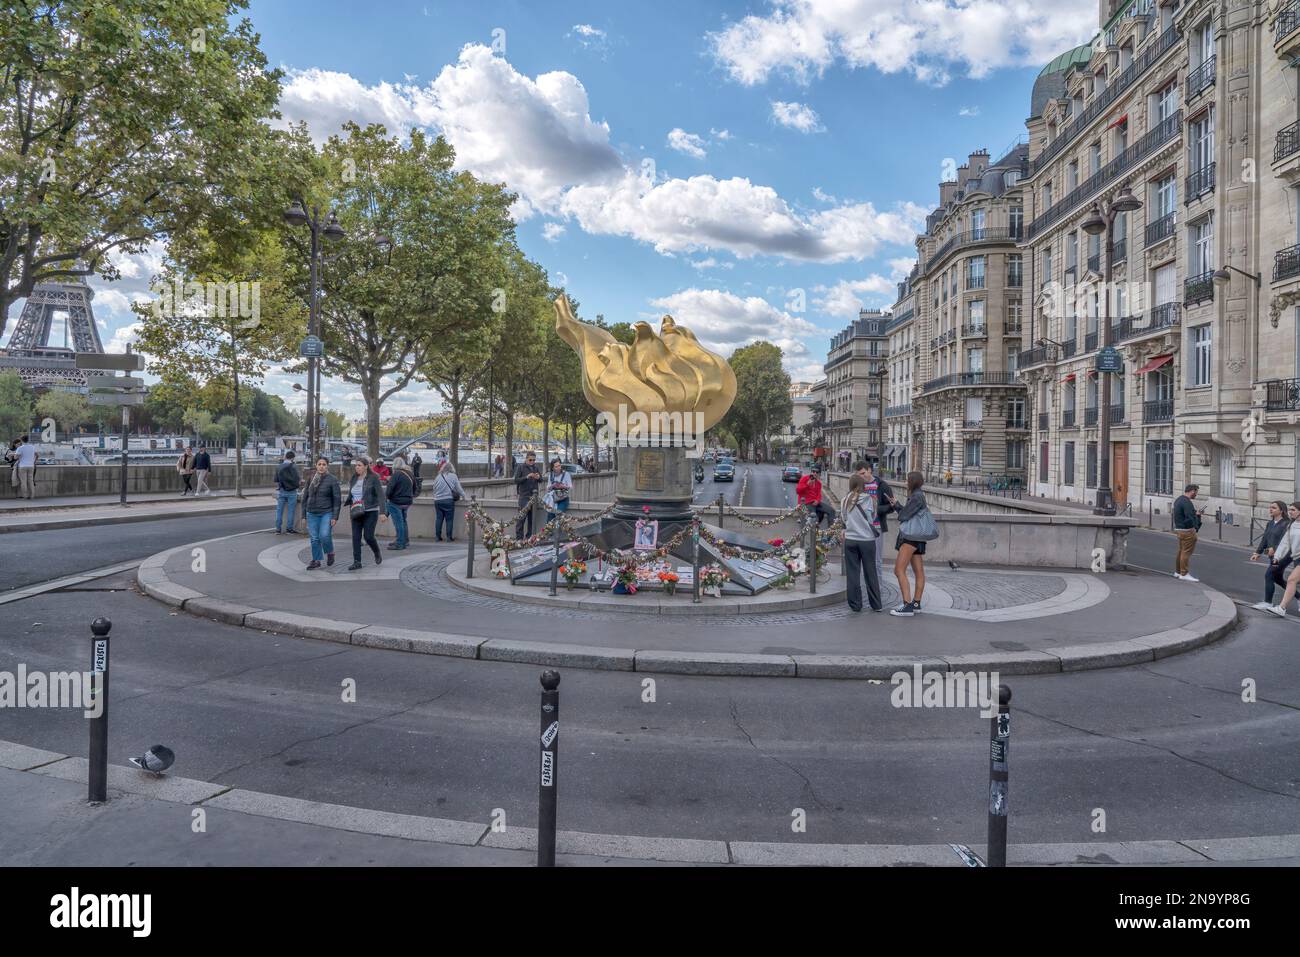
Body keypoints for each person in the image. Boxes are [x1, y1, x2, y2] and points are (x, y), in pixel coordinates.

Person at [890, 471, 930, 616]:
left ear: (912, 482)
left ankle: (907, 605)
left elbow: (904, 516)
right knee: (919, 572)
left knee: (898, 570)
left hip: (910, 539)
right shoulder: (919, 495)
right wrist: (897, 505)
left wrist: (898, 508)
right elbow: (908, 513)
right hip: (918, 539)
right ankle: (916, 603)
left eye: (907, 480)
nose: (906, 482)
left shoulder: (916, 496)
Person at [841, 474, 882, 612]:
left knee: (853, 573)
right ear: (863, 485)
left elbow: (844, 519)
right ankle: (876, 604)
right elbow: (872, 518)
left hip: (851, 540)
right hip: (867, 541)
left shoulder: (845, 500)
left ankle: (855, 605)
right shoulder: (869, 499)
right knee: (871, 572)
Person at [856, 460, 896, 598]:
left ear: (869, 470)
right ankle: (864, 588)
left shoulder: (882, 485)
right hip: (861, 528)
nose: (861, 476)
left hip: (877, 528)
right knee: (862, 560)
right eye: (859, 474)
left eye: (863, 473)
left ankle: (878, 588)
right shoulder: (858, 485)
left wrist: (875, 509)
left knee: (877, 560)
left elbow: (892, 506)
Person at [344, 456, 386, 570]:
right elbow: (352, 494)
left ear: (366, 466)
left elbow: (381, 496)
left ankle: (376, 552)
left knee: (368, 537)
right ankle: (357, 562)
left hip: (370, 511)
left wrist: (383, 512)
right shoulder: (354, 478)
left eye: (359, 465)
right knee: (356, 537)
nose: (357, 467)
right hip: (356, 511)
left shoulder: (373, 478)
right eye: (356, 465)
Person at [1250, 500, 1292, 610]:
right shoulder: (1270, 523)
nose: (1270, 509)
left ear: (1281, 511)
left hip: (1282, 556)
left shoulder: (1286, 524)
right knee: (1277, 579)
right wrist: (1257, 552)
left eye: (1273, 508)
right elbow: (1265, 539)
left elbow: (1285, 541)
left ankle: (1268, 602)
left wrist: (1275, 549)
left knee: (1268, 575)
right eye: (1270, 507)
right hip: (1272, 555)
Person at [302, 455, 341, 569]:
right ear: (316, 466)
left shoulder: (332, 479)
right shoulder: (311, 478)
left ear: (327, 466)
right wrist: (303, 515)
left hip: (326, 512)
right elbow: (305, 497)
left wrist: (335, 516)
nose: (321, 466)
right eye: (319, 464)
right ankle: (316, 560)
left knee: (324, 535)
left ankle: (330, 552)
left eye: (324, 464)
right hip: (311, 512)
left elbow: (337, 499)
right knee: (314, 538)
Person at [1267, 503, 1300, 617]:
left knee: (1291, 580)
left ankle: (1281, 608)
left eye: (1293, 510)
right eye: (1289, 509)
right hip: (1297, 558)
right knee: (1293, 581)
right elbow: (1285, 543)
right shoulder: (1292, 525)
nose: (1290, 512)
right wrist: (1276, 557)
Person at [1172, 483, 1205, 582]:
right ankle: (1184, 573)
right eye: (1196, 492)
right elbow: (1189, 518)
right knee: (1186, 553)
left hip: (1179, 529)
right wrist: (1195, 526)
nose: (1196, 495)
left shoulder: (1179, 500)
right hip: (1187, 531)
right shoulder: (1187, 502)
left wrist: (1195, 514)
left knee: (1181, 551)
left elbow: (1185, 514)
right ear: (1192, 491)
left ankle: (1178, 572)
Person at [384, 457, 415, 550]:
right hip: (407, 501)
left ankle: (400, 543)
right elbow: (415, 488)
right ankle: (405, 540)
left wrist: (388, 498)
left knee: (398, 523)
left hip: (396, 502)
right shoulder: (409, 474)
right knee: (403, 521)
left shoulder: (396, 474)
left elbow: (389, 490)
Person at [431, 459, 465, 541]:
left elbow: (434, 488)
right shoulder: (453, 476)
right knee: (449, 520)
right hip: (448, 501)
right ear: (451, 468)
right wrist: (464, 497)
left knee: (439, 519)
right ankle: (449, 537)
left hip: (437, 500)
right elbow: (459, 489)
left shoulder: (438, 476)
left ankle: (437, 537)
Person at [514, 451, 543, 539]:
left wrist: (538, 478)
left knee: (531, 520)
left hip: (534, 497)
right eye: (530, 460)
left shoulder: (536, 468)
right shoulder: (521, 467)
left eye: (534, 460)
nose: (532, 462)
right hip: (524, 497)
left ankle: (529, 538)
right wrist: (527, 477)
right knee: (521, 519)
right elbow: (516, 480)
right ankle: (519, 539)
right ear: (526, 459)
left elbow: (541, 480)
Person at [274, 450, 301, 534]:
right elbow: (298, 479)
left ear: (285, 456)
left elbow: (276, 480)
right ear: (293, 458)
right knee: (291, 511)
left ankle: (278, 529)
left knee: (279, 511)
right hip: (292, 492)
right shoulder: (295, 466)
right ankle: (289, 529)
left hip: (282, 491)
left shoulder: (279, 466)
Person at [543, 457, 572, 524]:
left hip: (563, 498)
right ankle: (549, 533)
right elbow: (548, 488)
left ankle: (558, 533)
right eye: (556, 466)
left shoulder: (566, 474)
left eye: (559, 465)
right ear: (553, 468)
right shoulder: (551, 475)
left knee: (559, 515)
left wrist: (562, 486)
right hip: (553, 499)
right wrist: (553, 486)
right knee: (550, 516)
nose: (559, 467)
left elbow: (570, 486)